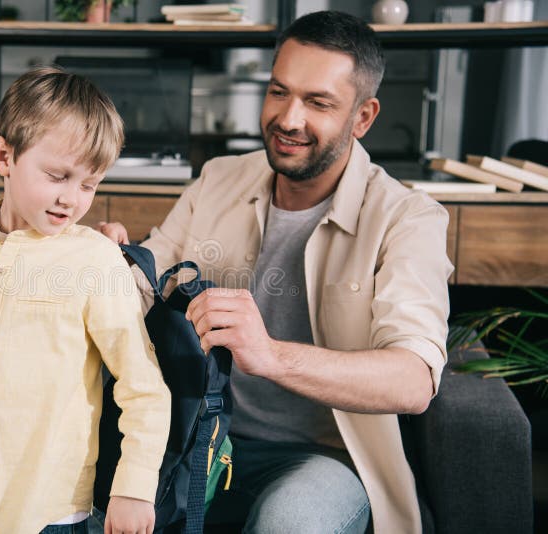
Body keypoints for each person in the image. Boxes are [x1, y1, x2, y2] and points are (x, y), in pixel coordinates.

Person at [101, 10, 452, 533]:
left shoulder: (407, 218)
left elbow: (414, 379)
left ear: (363, 117)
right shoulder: (218, 178)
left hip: (321, 459)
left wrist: (270, 357)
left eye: (318, 102)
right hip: (199, 437)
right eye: (278, 92)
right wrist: (105, 261)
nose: (288, 119)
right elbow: (148, 282)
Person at [0, 66, 171, 534]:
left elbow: (143, 386)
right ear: (5, 156)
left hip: (52, 510)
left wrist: (134, 487)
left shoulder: (96, 260)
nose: (72, 199)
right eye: (57, 176)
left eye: (88, 185)